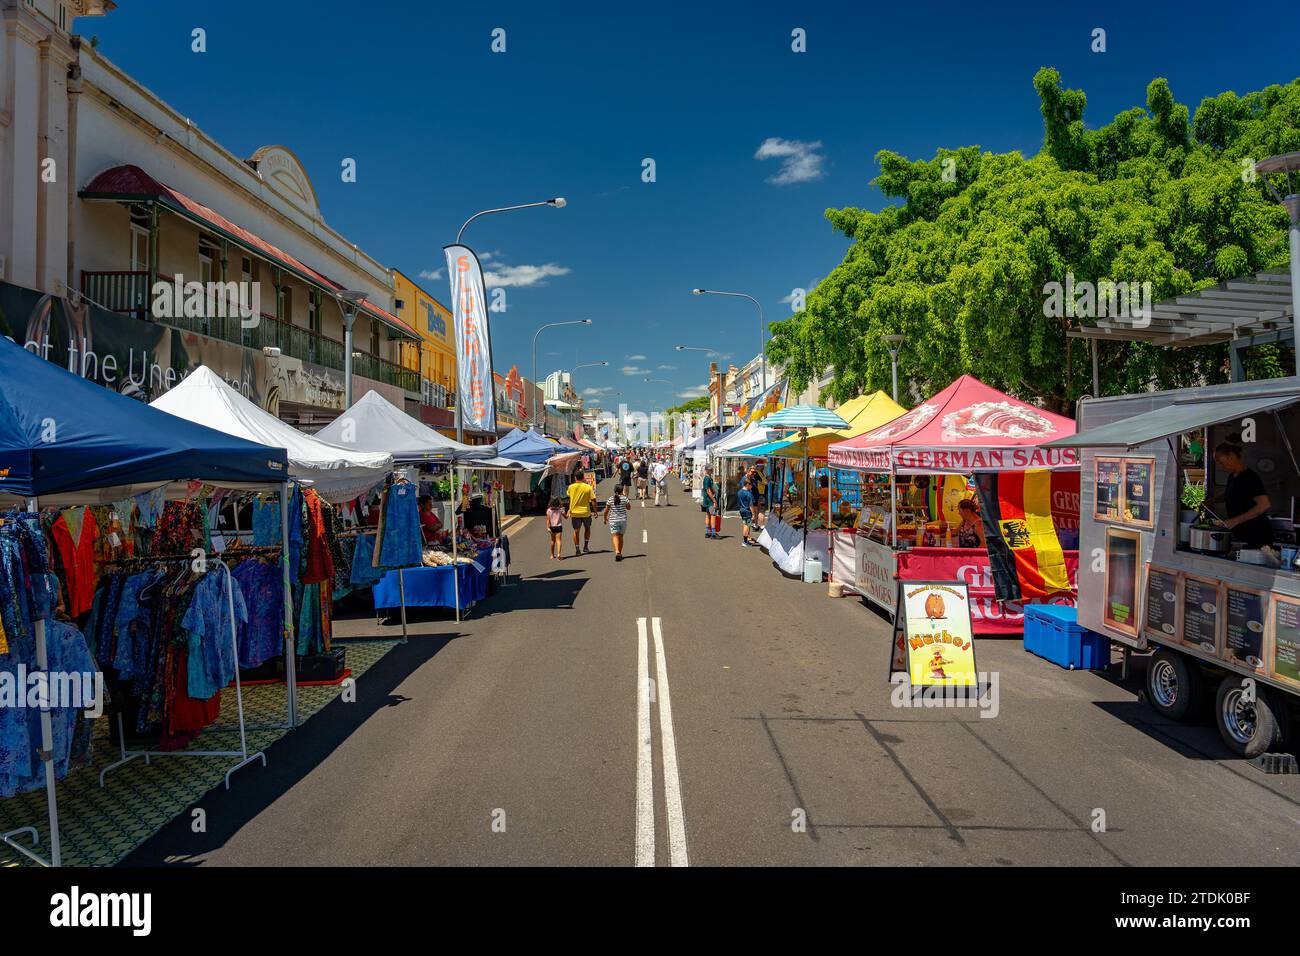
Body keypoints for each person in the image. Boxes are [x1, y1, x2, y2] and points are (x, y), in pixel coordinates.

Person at [1212, 439, 1273, 548]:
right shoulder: (1233, 476)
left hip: (1256, 533)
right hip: (1242, 533)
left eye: (1220, 461)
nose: (1220, 465)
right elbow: (1230, 493)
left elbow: (1264, 504)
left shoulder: (1249, 478)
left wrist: (1235, 521)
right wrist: (1211, 501)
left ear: (1231, 455)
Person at [566, 472, 596, 554]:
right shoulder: (588, 487)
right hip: (586, 512)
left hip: (574, 513)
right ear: (583, 477)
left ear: (575, 478)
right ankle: (586, 547)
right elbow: (593, 500)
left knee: (576, 531)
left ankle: (577, 549)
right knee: (587, 528)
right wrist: (595, 511)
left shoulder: (570, 487)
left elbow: (568, 495)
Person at [604, 483, 630, 561]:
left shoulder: (610, 499)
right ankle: (620, 552)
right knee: (621, 536)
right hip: (622, 520)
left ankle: (617, 551)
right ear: (622, 490)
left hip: (613, 520)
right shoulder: (625, 498)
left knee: (615, 536)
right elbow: (629, 508)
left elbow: (606, 510)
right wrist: (625, 497)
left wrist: (605, 518)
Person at [701, 464, 721, 539]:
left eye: (712, 469)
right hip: (709, 500)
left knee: (708, 515)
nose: (712, 470)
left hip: (706, 499)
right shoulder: (707, 478)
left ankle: (707, 532)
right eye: (711, 469)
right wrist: (714, 500)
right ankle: (713, 533)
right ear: (707, 470)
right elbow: (708, 490)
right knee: (713, 515)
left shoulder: (707, 478)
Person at [738, 477, 757, 547]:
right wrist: (753, 514)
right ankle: (745, 541)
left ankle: (745, 540)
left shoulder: (739, 492)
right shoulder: (748, 494)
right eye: (751, 485)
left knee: (744, 524)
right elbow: (751, 505)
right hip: (747, 511)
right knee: (747, 525)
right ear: (747, 484)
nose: (752, 487)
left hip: (741, 510)